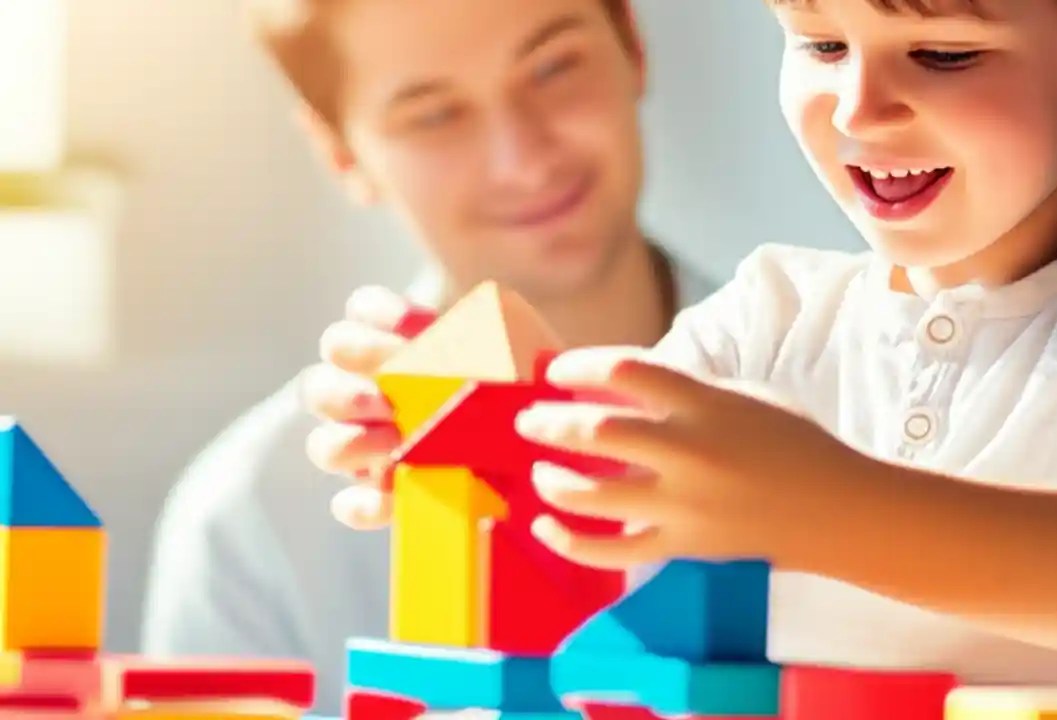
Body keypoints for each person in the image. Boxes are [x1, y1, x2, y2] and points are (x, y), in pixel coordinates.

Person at [309, 0, 1057, 691]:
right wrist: (496, 421)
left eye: (941, 52)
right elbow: (598, 499)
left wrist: (829, 512)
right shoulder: (766, 315)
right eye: (820, 43)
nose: (858, 109)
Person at [139, 0, 715, 713]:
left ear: (631, 44)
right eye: (434, 115)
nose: (522, 159)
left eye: (554, 66)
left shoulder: (826, 413)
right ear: (342, 154)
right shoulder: (250, 522)